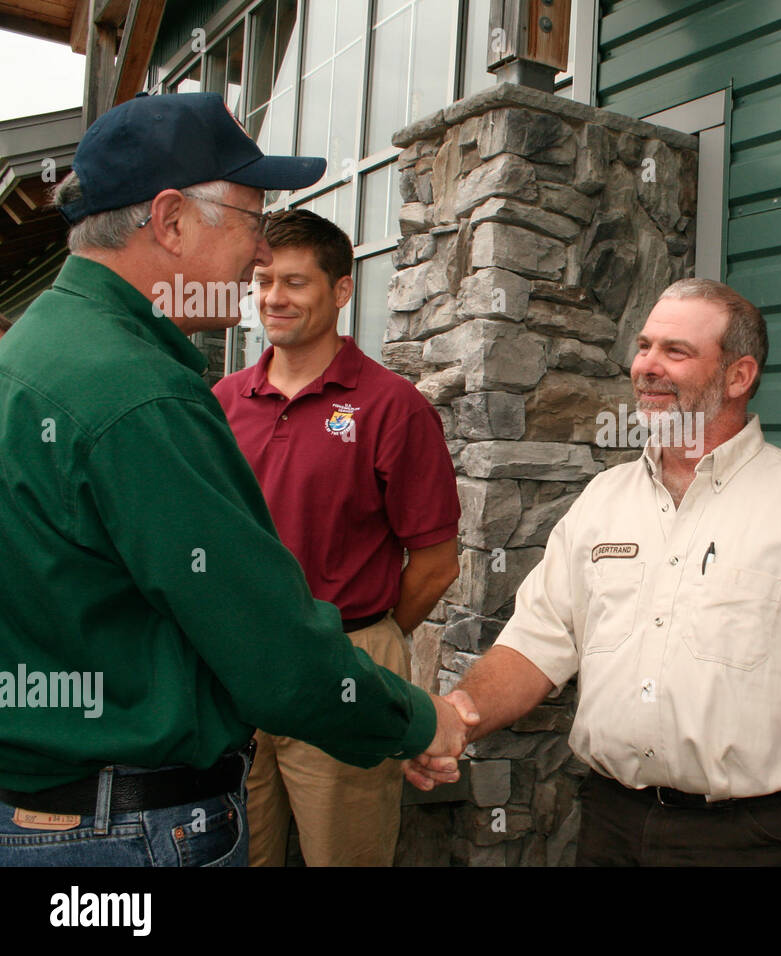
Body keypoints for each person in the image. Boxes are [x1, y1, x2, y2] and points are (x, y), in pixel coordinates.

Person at [0, 92, 469, 867]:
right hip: (122, 828)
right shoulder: (140, 393)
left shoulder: (36, 351)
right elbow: (270, 650)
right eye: (254, 220)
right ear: (172, 219)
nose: (260, 259)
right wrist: (419, 721)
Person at [405, 278, 781, 866]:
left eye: (676, 351)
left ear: (738, 376)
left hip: (749, 842)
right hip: (608, 827)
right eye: (644, 346)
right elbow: (535, 646)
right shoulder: (603, 500)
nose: (647, 365)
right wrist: (456, 717)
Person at [213, 209, 460, 866]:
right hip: (236, 668)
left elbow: (435, 564)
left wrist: (373, 638)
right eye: (263, 281)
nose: (273, 299)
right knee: (235, 853)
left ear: (341, 290)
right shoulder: (221, 402)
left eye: (294, 282)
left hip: (346, 665)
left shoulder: (391, 406)